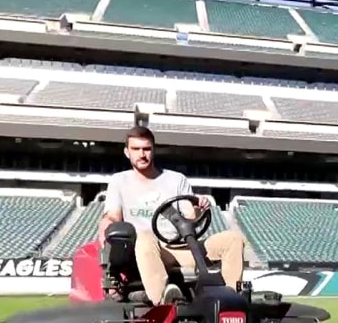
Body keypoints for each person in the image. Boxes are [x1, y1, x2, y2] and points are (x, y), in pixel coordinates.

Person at [97, 125, 246, 305]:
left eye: (147, 149)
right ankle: (164, 300)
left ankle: (230, 299)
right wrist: (107, 228)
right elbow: (113, 216)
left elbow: (189, 217)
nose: (142, 154)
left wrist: (198, 208)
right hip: (146, 251)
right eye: (136, 149)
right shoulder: (119, 181)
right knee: (144, 237)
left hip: (179, 247)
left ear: (153, 150)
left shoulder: (176, 179)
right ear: (127, 152)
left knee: (233, 239)